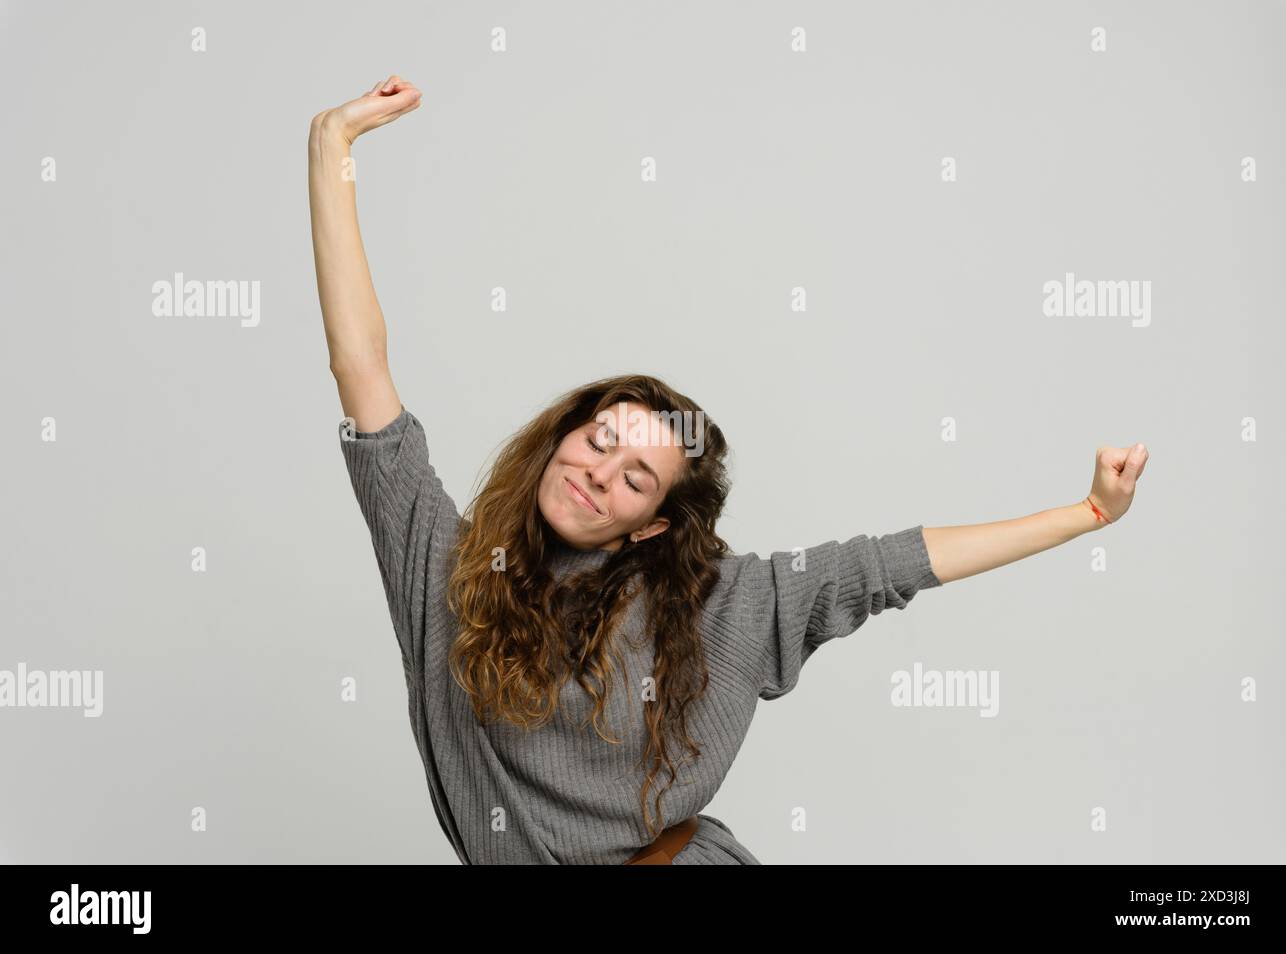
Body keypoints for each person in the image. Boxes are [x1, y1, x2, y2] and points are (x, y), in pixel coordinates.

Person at [308, 75, 1150, 865]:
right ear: (562, 436)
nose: (602, 473)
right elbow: (362, 367)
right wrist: (330, 142)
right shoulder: (444, 570)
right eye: (601, 440)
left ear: (652, 524)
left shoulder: (721, 602)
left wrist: (1088, 512)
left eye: (638, 477)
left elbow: (890, 564)